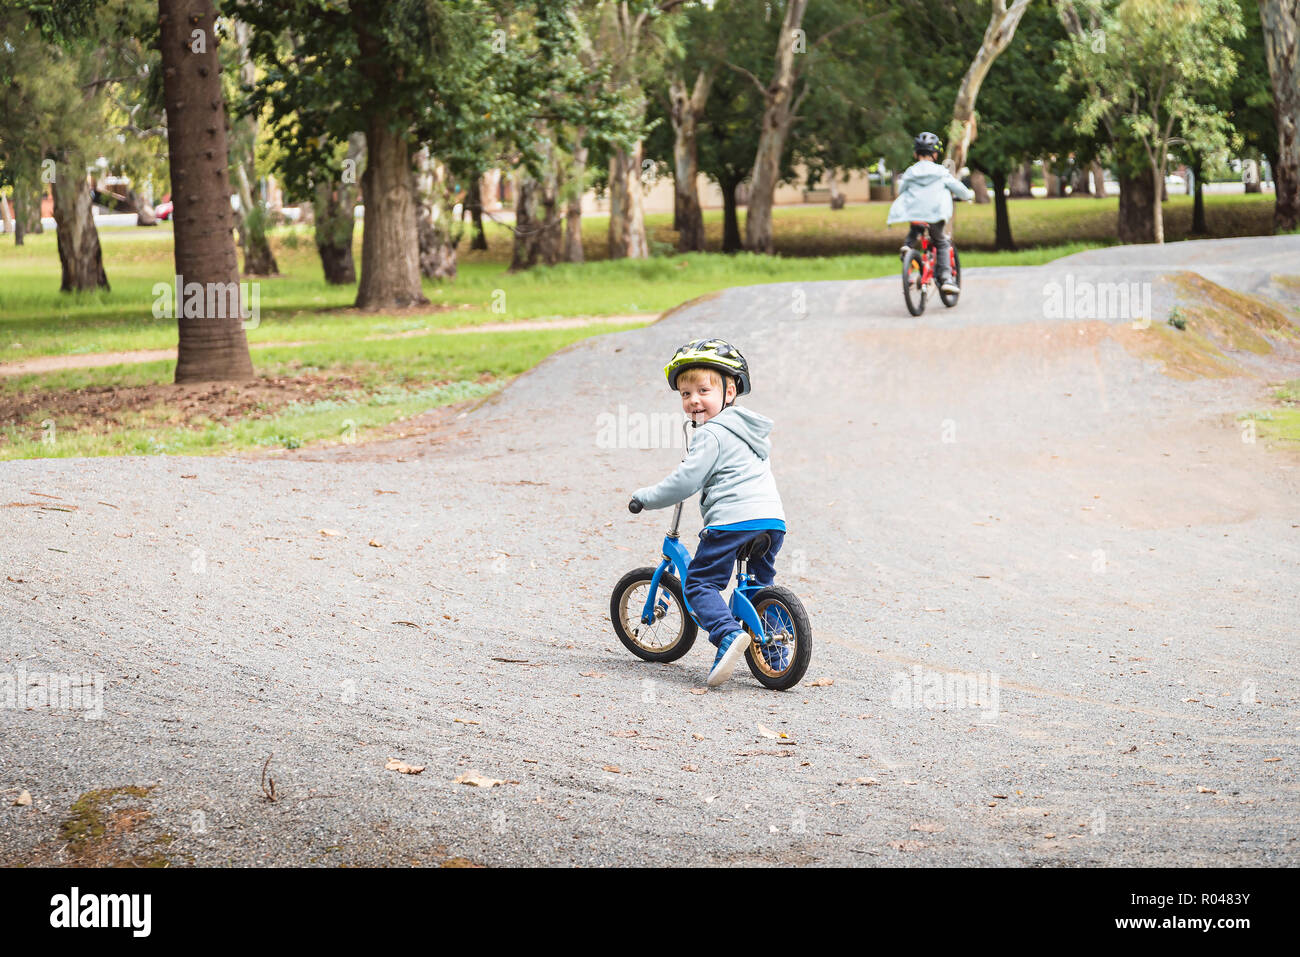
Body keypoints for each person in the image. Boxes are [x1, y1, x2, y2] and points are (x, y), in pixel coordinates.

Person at [628, 338, 787, 687]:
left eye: (703, 390)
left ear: (730, 392)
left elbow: (685, 482)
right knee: (759, 585)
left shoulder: (711, 434)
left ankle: (728, 634)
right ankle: (775, 654)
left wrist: (646, 497)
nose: (694, 400)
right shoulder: (750, 432)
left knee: (700, 584)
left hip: (732, 522)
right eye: (685, 394)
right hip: (772, 521)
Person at [886, 131, 974, 295]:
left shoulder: (910, 172)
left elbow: (901, 190)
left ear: (915, 153)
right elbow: (957, 188)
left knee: (915, 229)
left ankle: (908, 247)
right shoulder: (941, 171)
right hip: (935, 214)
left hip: (915, 213)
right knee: (941, 242)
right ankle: (946, 279)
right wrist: (968, 196)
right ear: (935, 153)